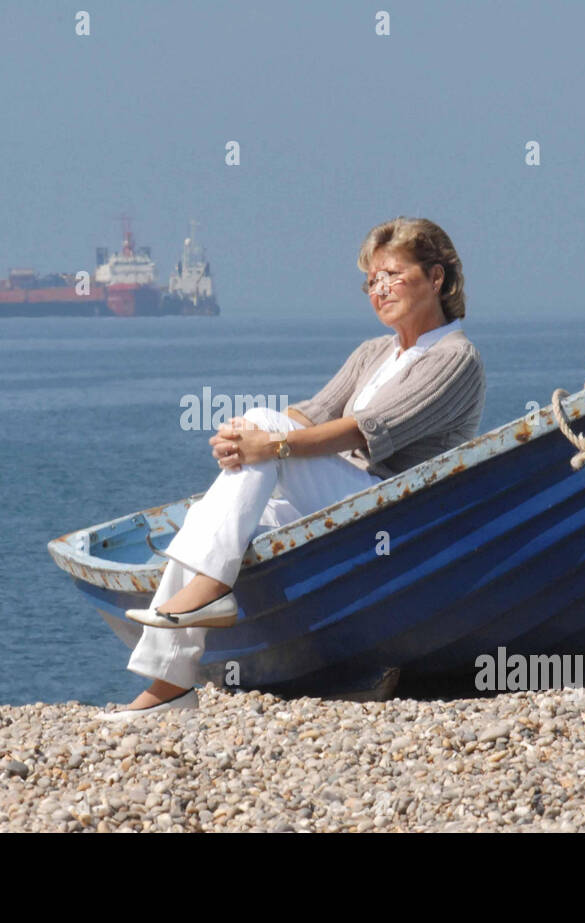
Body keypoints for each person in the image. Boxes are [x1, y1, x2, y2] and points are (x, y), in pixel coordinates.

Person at [98, 216, 486, 720]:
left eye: (392, 274)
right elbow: (311, 414)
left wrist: (269, 442)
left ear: (436, 278)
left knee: (265, 427)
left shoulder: (456, 358)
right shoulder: (375, 352)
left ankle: (210, 591)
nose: (379, 288)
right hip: (348, 501)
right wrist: (244, 438)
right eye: (371, 280)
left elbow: (360, 431)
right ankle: (170, 686)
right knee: (205, 515)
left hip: (399, 513)